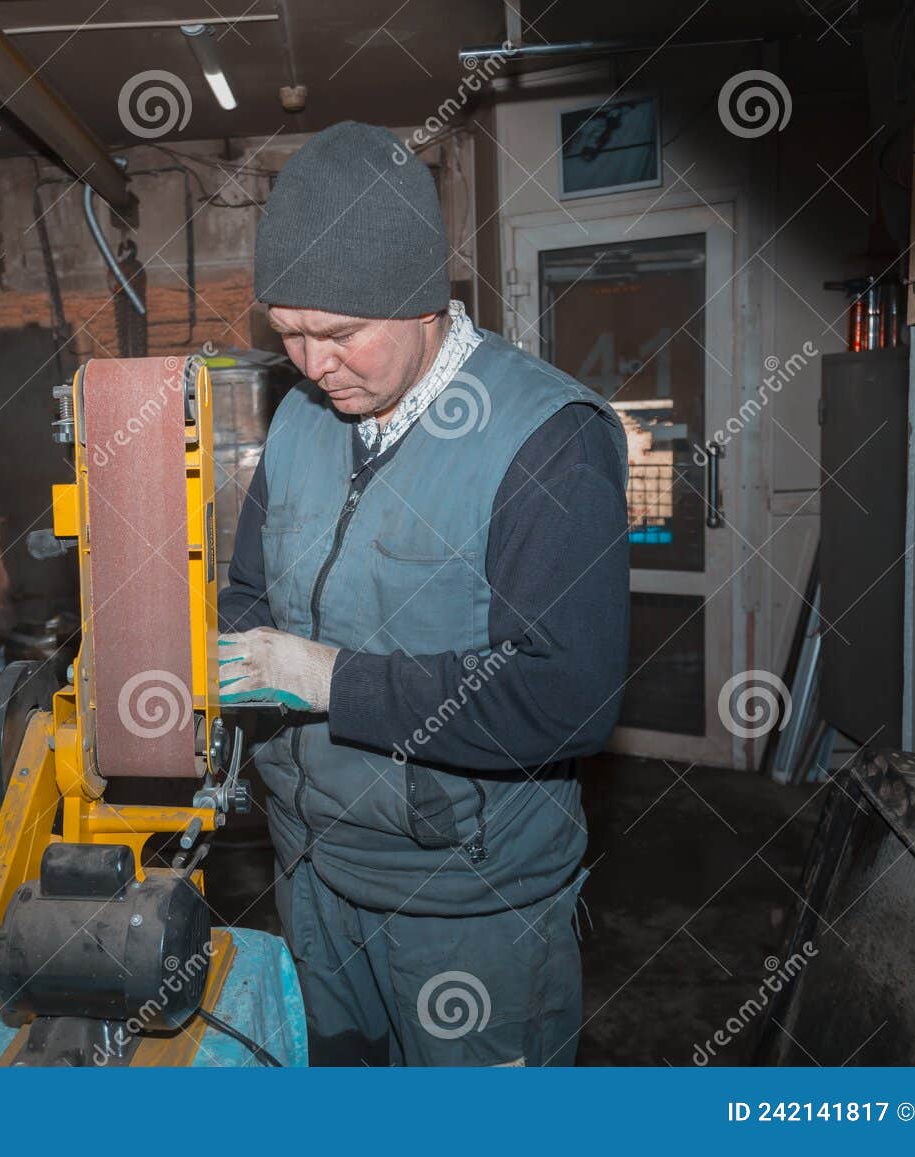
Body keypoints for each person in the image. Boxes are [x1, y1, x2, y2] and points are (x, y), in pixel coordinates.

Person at [217, 121, 630, 1066]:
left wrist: (331, 681)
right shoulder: (298, 424)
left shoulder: (544, 439)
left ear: (421, 300)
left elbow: (565, 696)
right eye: (290, 337)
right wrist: (235, 657)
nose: (314, 366)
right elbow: (248, 592)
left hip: (465, 906)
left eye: (338, 335)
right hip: (313, 879)